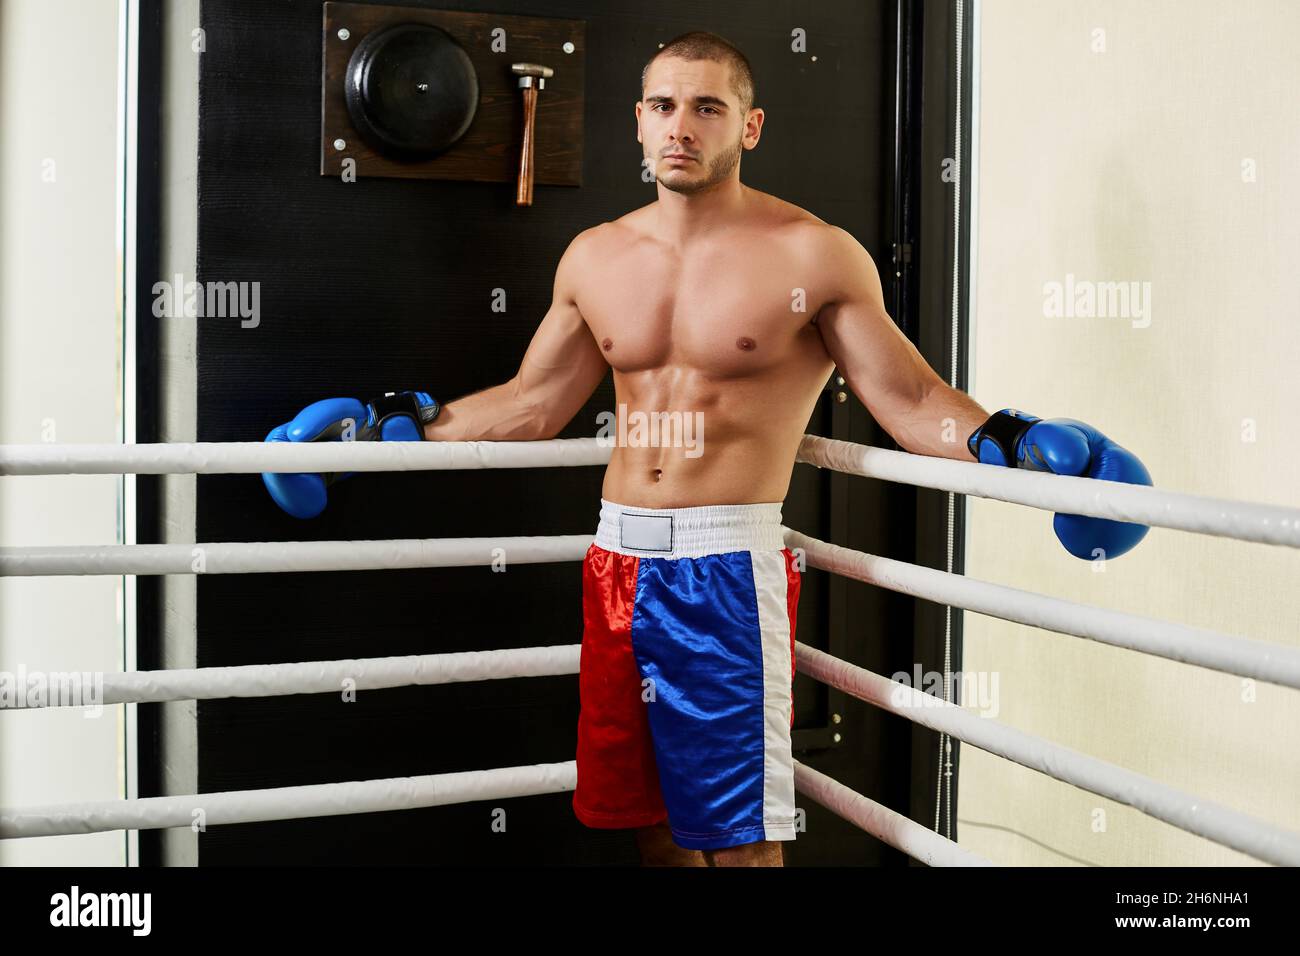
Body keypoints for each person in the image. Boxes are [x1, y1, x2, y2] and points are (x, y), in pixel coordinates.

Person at [262, 32, 1151, 867]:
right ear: (637, 121)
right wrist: (389, 433)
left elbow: (912, 402)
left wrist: (1017, 445)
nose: (679, 127)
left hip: (725, 571)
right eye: (661, 106)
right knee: (648, 827)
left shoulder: (816, 252)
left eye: (707, 108)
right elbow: (532, 406)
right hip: (615, 562)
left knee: (740, 841)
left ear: (750, 126)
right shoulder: (595, 256)